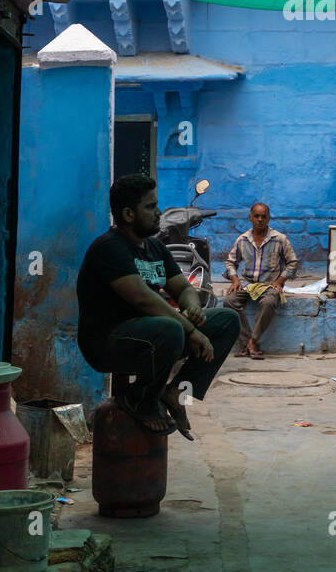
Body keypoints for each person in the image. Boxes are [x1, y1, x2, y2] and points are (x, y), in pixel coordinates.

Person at [76, 174, 239, 435]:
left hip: (150, 335)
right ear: (129, 214)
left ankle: (174, 392)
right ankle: (139, 400)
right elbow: (143, 298)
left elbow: (183, 287)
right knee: (171, 328)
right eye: (150, 207)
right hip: (107, 342)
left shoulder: (154, 247)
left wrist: (192, 307)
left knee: (227, 321)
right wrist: (191, 329)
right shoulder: (110, 248)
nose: (159, 212)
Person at [224, 203, 299, 358]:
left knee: (269, 302)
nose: (260, 219)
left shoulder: (279, 239)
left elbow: (292, 262)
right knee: (229, 301)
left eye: (263, 216)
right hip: (247, 283)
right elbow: (231, 262)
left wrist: (279, 281)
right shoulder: (242, 240)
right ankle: (249, 342)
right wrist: (235, 279)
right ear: (250, 217)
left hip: (268, 285)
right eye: (256, 216)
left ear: (269, 218)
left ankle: (253, 340)